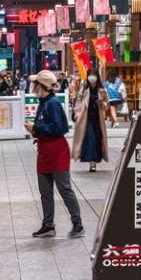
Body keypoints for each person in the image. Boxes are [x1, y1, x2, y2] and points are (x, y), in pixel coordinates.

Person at [26, 70, 82, 239]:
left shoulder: (53, 103)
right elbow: (44, 126)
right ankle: (48, 225)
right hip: (44, 151)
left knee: (64, 189)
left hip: (57, 151)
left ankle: (77, 224)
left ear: (41, 86)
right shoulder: (43, 103)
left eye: (35, 83)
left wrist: (37, 128)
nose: (33, 86)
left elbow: (60, 128)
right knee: (45, 192)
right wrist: (35, 131)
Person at [70, 68, 110, 173]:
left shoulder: (102, 90)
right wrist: (77, 113)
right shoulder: (84, 89)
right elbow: (78, 102)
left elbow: (107, 105)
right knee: (90, 138)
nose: (92, 78)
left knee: (97, 140)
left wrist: (102, 103)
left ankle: (94, 161)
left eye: (94, 75)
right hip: (86, 118)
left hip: (98, 119)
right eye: (90, 75)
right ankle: (92, 163)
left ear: (97, 77)